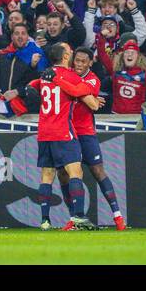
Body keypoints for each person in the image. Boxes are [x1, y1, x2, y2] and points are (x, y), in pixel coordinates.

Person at [28, 41, 102, 230]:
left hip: (44, 131)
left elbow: (30, 88)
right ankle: (78, 216)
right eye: (70, 51)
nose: (72, 52)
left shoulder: (45, 76)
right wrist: (90, 96)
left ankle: (45, 221)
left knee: (46, 175)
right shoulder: (70, 76)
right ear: (66, 56)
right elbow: (93, 105)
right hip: (62, 130)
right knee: (75, 172)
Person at [59, 47, 126, 229]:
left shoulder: (93, 80)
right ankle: (74, 218)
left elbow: (78, 94)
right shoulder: (68, 75)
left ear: (90, 63)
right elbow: (80, 95)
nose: (79, 64)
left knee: (98, 171)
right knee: (63, 174)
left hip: (86, 132)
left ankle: (118, 217)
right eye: (77, 60)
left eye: (83, 61)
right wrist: (87, 98)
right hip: (67, 131)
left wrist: (84, 96)